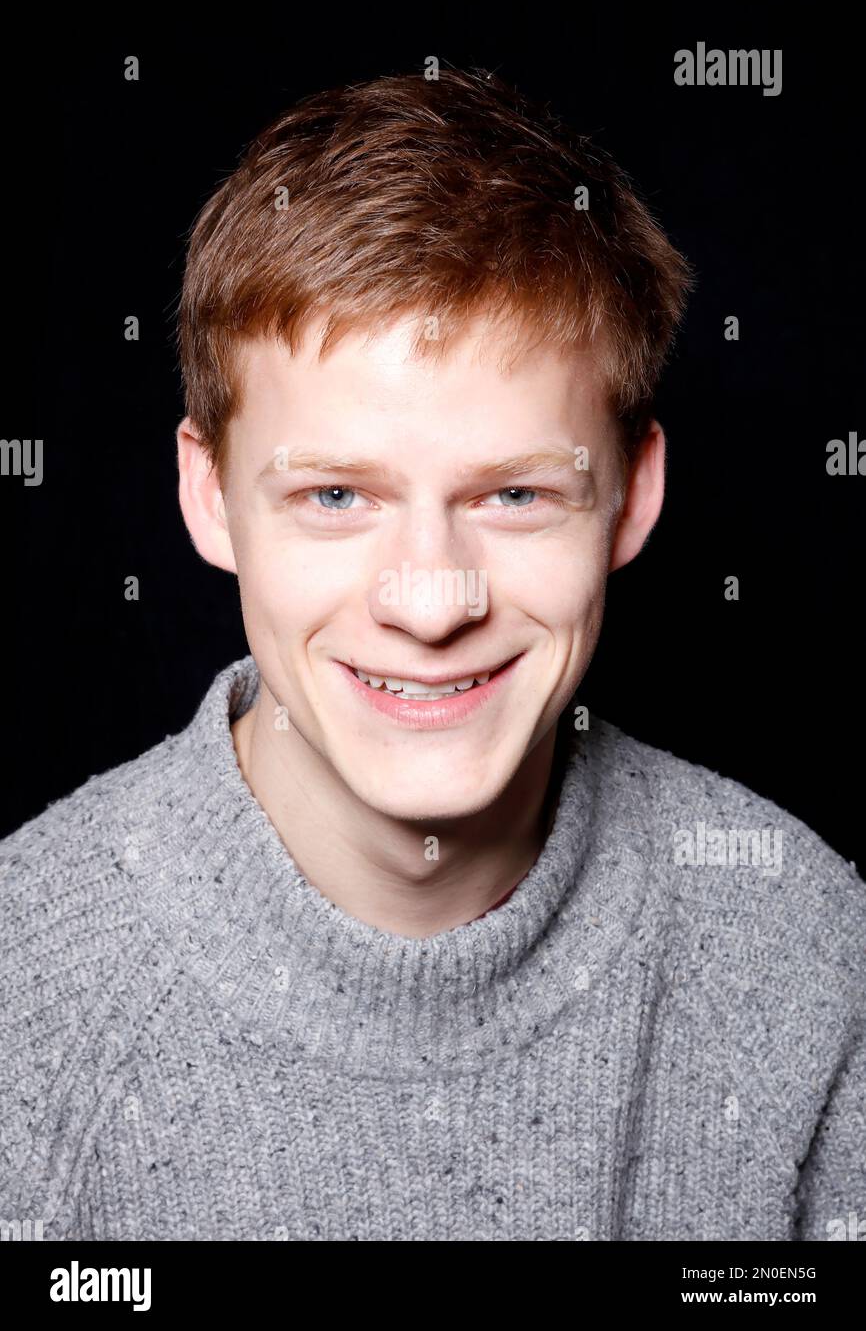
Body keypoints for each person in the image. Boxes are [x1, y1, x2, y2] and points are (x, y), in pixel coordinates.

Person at [1, 69, 863, 1242]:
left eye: (511, 494)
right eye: (336, 494)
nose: (428, 599)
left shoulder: (804, 952)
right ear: (207, 496)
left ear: (630, 496)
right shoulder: (24, 993)